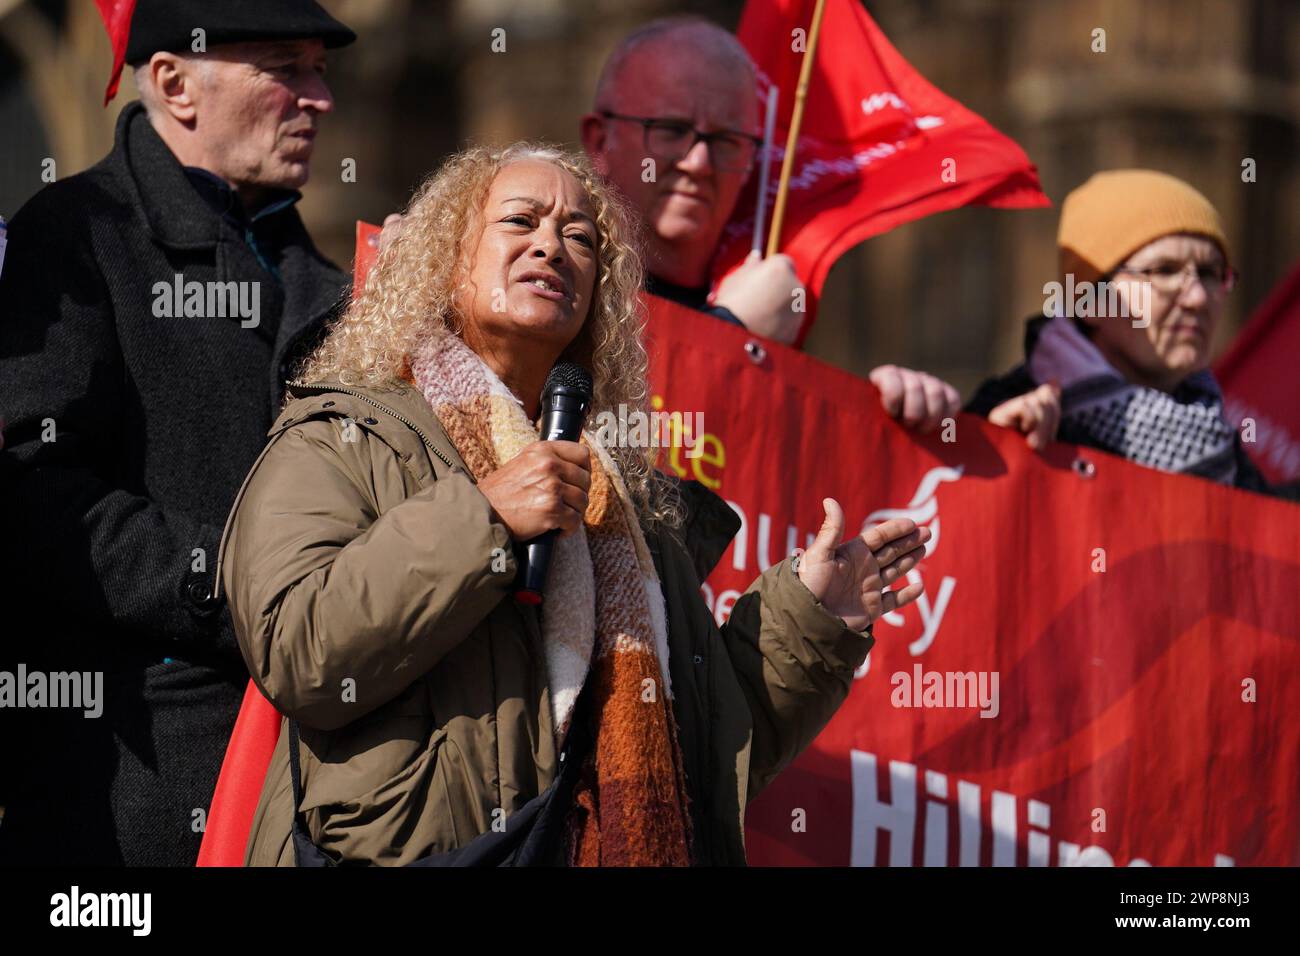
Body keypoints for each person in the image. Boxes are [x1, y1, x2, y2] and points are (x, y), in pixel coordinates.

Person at [219, 143, 932, 866]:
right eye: (520, 220)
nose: (551, 247)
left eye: (581, 237)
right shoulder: (347, 434)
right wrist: (487, 521)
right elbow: (298, 649)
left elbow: (712, 748)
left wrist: (812, 616)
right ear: (447, 255)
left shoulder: (622, 495)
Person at [0, 0, 355, 865]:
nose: (320, 99)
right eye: (286, 68)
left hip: (323, 783)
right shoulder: (77, 236)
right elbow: (35, 488)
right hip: (135, 797)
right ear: (174, 83)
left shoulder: (344, 284)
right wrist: (239, 592)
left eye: (320, 69)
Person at [579, 16, 967, 434]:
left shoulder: (781, 306)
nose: (699, 164)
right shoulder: (557, 282)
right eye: (671, 131)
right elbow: (596, 445)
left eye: (727, 141)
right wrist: (732, 333)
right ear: (600, 141)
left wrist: (890, 413)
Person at [967, 169, 1278, 495]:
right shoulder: (1007, 415)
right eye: (1164, 271)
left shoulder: (1220, 446)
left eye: (1210, 273)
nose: (1198, 298)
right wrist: (991, 455)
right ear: (1090, 302)